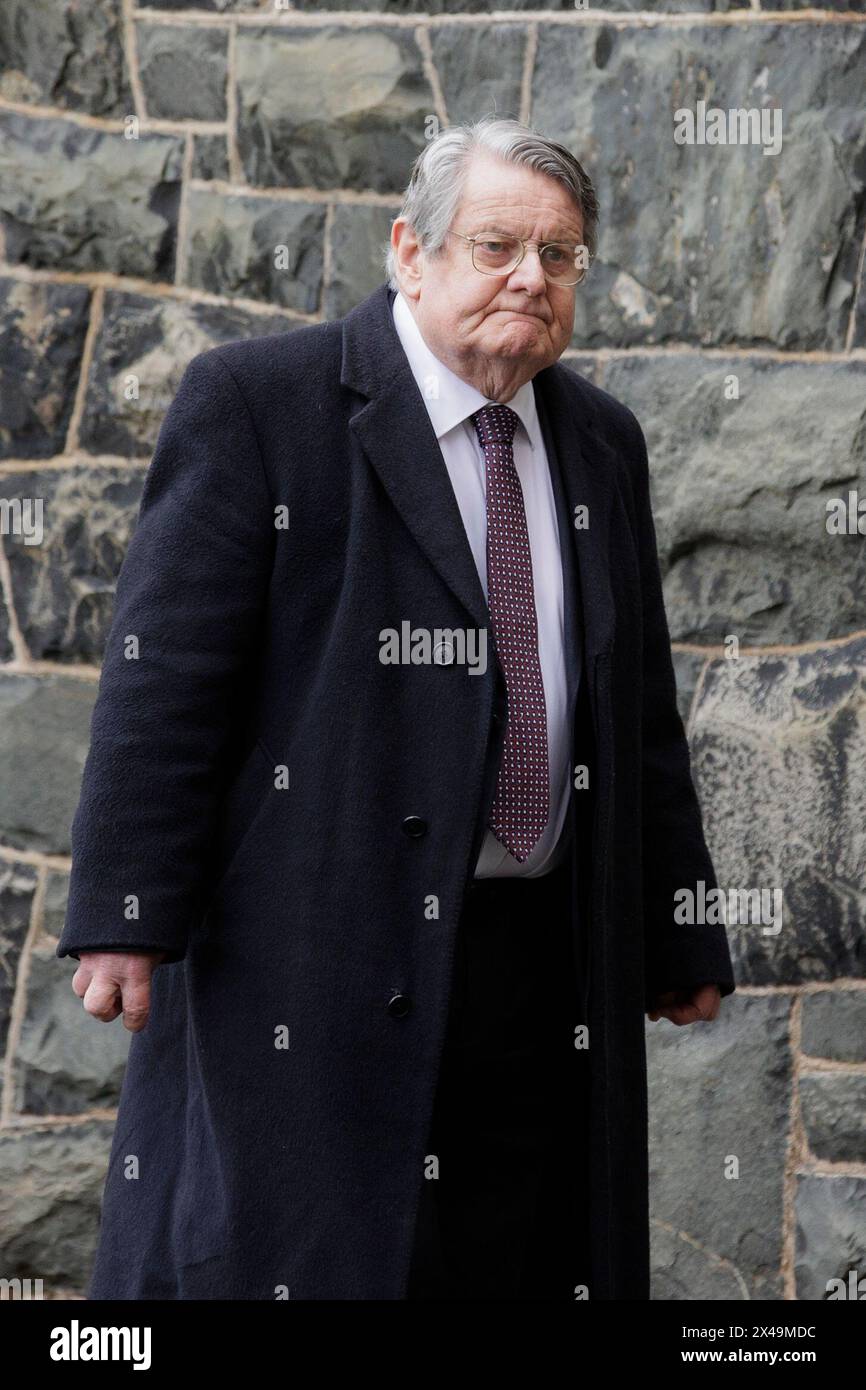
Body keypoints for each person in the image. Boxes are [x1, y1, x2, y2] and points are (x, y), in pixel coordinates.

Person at [58, 116, 736, 1301]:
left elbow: (635, 714)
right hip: (313, 957)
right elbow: (162, 679)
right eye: (496, 245)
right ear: (408, 252)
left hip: (540, 967)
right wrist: (125, 907)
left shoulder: (599, 443)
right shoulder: (261, 406)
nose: (531, 276)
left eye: (560, 255)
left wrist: (675, 927)